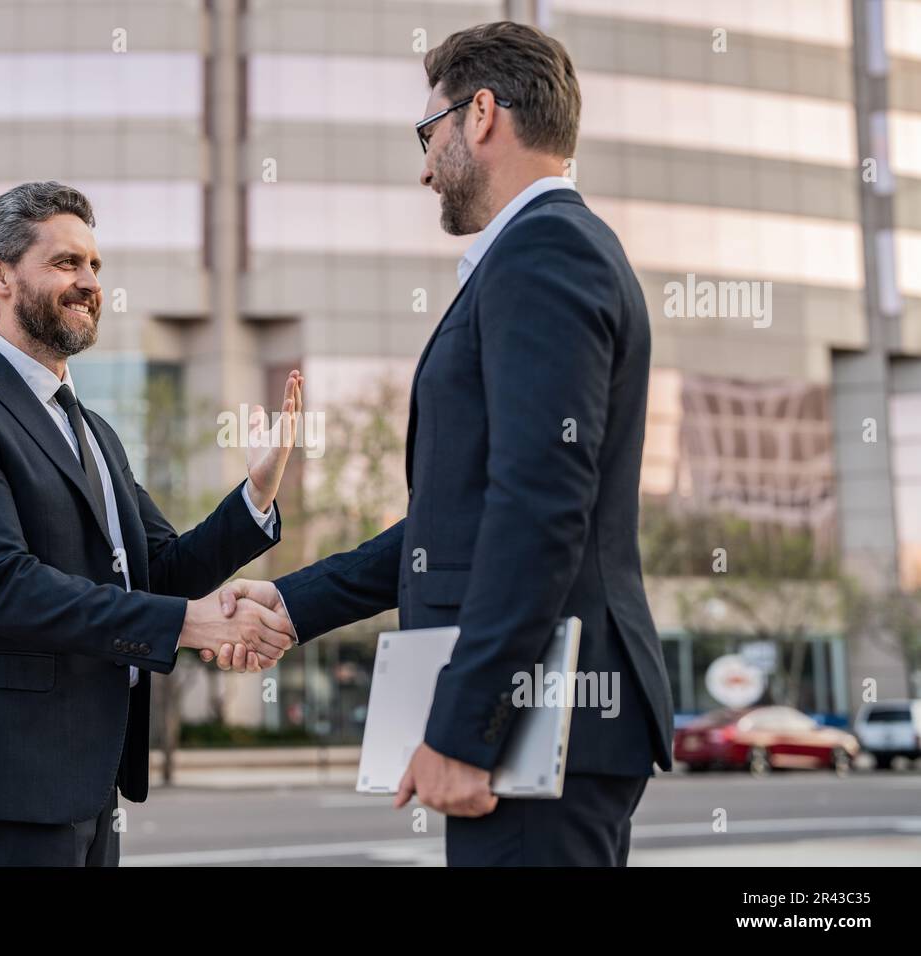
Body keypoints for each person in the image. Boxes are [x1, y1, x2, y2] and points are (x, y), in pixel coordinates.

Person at [216, 21, 675, 866]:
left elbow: (540, 506)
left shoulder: (545, 253)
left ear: (483, 113)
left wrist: (466, 728)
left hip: (541, 733)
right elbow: (460, 523)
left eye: (430, 134)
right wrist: (297, 601)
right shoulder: (542, 256)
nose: (425, 166)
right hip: (537, 730)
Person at [0, 181, 302, 866]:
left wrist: (254, 493)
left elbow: (160, 570)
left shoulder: (96, 433)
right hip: (7, 780)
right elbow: (4, 586)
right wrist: (188, 624)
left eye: (95, 267)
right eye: (65, 264)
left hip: (93, 777)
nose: (88, 282)